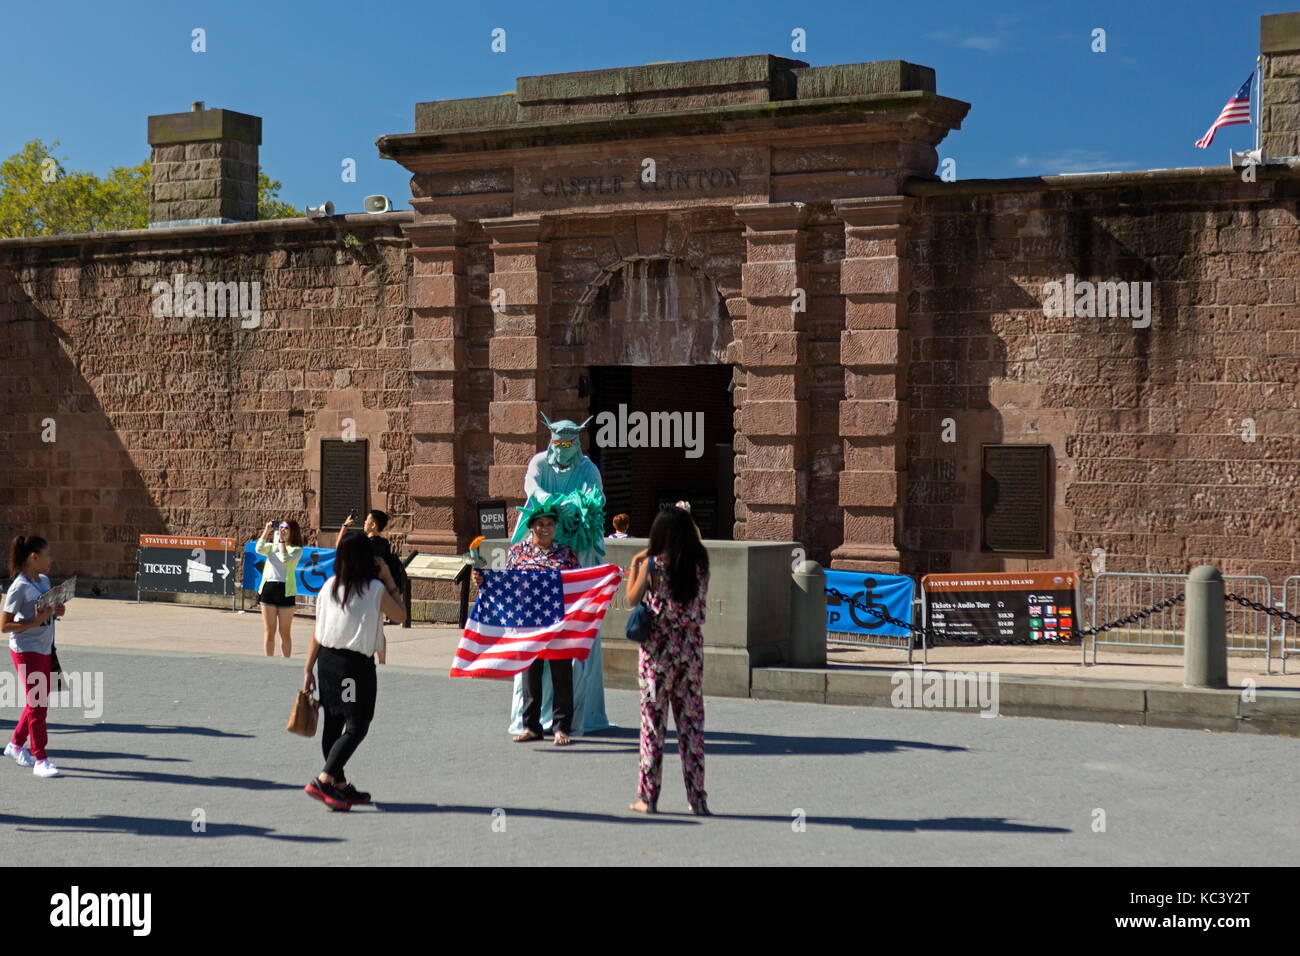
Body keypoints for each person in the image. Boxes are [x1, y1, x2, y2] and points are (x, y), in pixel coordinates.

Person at [302, 530, 406, 810]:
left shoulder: (329, 586)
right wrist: (388, 578)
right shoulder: (374, 589)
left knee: (334, 722)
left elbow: (317, 630)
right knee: (357, 724)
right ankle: (324, 779)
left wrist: (308, 667)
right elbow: (401, 615)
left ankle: (339, 784)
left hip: (327, 662)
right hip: (353, 668)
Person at [623, 507, 710, 815]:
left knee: (652, 726)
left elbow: (631, 599)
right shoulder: (699, 564)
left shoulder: (652, 564)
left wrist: (636, 564)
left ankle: (647, 798)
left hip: (654, 660)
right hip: (690, 656)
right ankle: (698, 798)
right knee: (691, 727)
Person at [477, 506, 580, 745]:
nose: (545, 529)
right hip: (528, 622)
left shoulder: (566, 553)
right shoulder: (517, 552)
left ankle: (561, 727)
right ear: (531, 526)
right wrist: (483, 580)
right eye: (540, 524)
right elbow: (505, 583)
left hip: (557, 622)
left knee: (562, 675)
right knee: (530, 675)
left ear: (555, 528)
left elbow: (578, 582)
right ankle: (531, 726)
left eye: (550, 524)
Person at [2, 535, 66, 778]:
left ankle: (15, 745)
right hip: (25, 650)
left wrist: (58, 609)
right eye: (47, 555)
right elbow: (4, 626)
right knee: (39, 705)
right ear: (33, 557)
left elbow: (49, 609)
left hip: (45, 647)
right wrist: (35, 621)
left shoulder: (45, 580)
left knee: (36, 702)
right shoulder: (18, 587)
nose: (50, 559)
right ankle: (41, 758)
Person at [336, 509, 403, 663]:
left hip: (365, 590)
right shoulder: (384, 544)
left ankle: (365, 658)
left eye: (366, 521)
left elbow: (340, 547)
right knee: (378, 627)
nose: (364, 523)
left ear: (373, 525)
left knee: (365, 626)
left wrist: (345, 526)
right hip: (380, 589)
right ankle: (383, 661)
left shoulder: (366, 543)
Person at [255, 519, 303, 658]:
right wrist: (266, 530)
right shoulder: (272, 547)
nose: (282, 529)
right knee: (269, 631)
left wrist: (281, 541)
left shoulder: (296, 550)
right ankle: (268, 660)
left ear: (292, 531)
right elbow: (258, 548)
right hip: (269, 588)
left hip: (285, 591)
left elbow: (285, 559)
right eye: (281, 526)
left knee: (285, 632)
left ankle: (286, 662)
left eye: (286, 527)